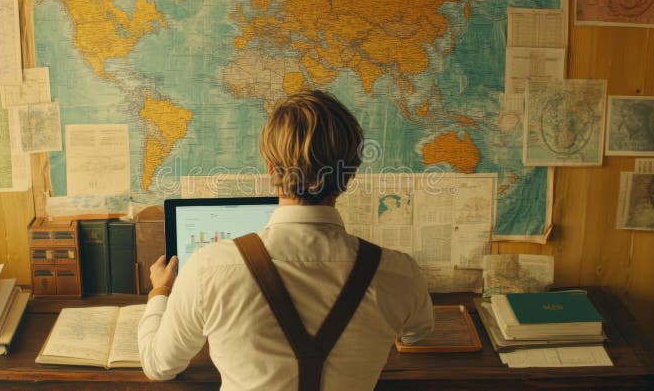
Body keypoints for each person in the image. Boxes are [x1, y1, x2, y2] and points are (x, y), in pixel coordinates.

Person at [138, 90, 434, 391]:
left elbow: (158, 366)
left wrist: (160, 291)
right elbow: (416, 333)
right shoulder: (400, 273)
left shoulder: (207, 269)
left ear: (270, 168)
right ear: (350, 174)